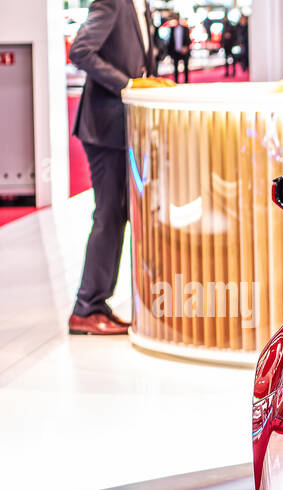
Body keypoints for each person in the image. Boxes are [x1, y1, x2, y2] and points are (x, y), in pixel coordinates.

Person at [67, 0, 173, 336]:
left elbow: (136, 60)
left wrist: (147, 81)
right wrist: (127, 84)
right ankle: (86, 307)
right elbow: (80, 51)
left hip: (121, 128)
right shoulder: (113, 1)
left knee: (118, 213)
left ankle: (96, 303)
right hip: (104, 128)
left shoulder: (140, 5)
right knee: (109, 213)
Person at [164, 15, 191, 84]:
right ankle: (176, 81)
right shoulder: (172, 29)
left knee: (185, 67)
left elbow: (188, 40)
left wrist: (185, 47)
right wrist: (170, 52)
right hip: (175, 52)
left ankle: (186, 81)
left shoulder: (185, 29)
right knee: (175, 67)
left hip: (184, 51)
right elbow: (171, 41)